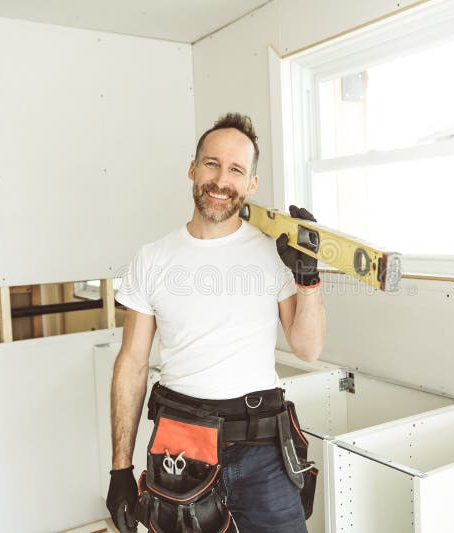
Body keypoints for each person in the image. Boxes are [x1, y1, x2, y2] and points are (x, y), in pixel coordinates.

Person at [105, 112, 326, 533]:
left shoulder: (270, 252)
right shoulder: (153, 259)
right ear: (192, 168)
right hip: (180, 449)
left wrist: (308, 280)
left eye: (236, 170)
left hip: (263, 450)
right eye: (211, 164)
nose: (221, 180)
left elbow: (307, 348)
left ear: (251, 184)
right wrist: (120, 469)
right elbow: (132, 364)